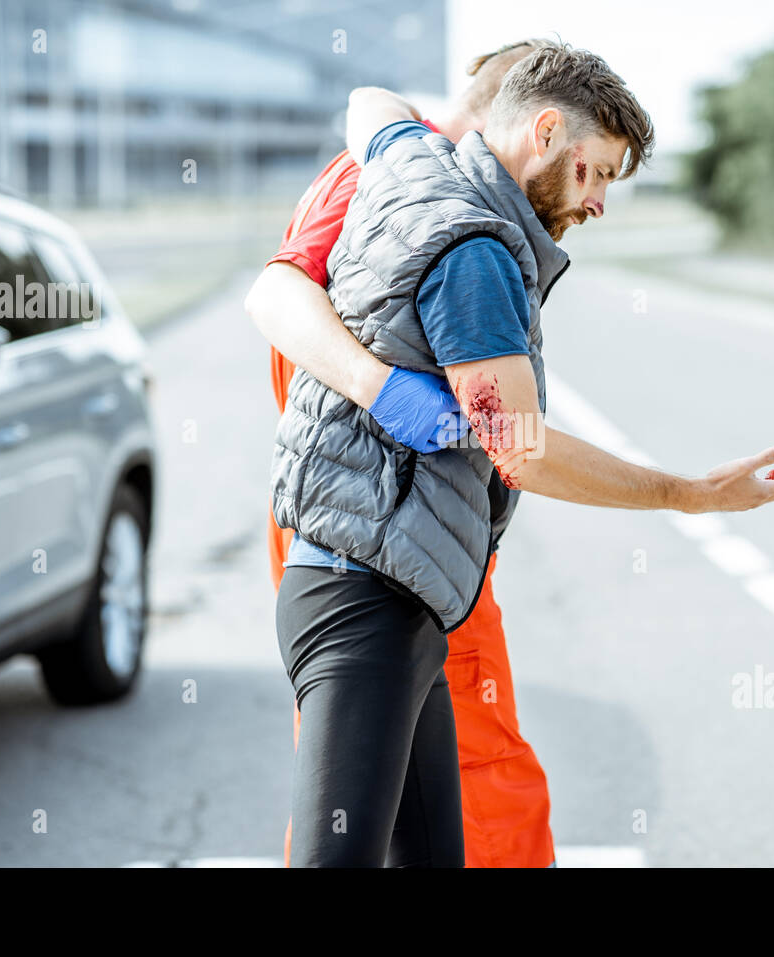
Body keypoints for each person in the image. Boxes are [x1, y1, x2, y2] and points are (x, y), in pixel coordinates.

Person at [265, 41, 774, 867]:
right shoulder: (476, 251)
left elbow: (373, 105)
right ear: (545, 130)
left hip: (401, 602)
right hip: (360, 603)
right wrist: (685, 492)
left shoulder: (415, 168)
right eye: (593, 172)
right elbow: (519, 451)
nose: (596, 204)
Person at [246, 39, 561, 868]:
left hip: (403, 519)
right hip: (366, 524)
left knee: (405, 794)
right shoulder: (392, 181)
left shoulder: (413, 167)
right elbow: (276, 293)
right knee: (462, 776)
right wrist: (379, 385)